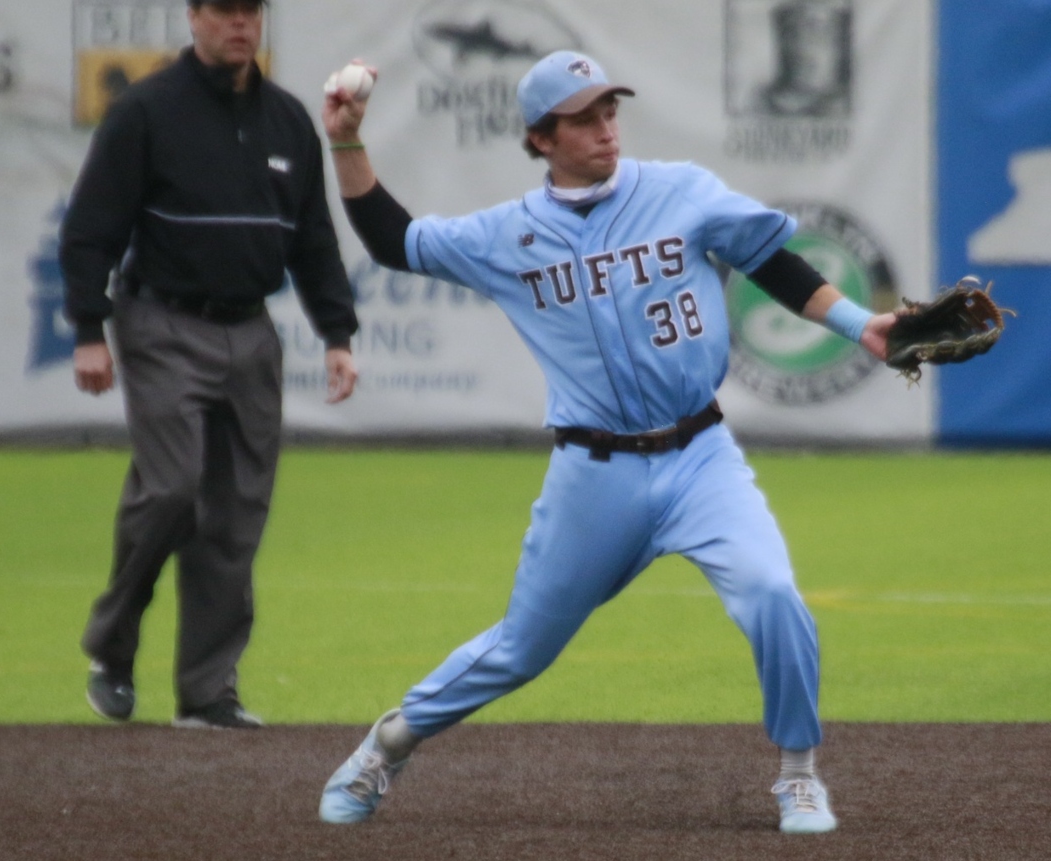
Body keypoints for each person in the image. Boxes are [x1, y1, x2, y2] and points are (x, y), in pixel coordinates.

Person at [313, 50, 895, 834]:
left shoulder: (680, 191)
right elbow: (394, 239)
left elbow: (771, 261)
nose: (605, 129)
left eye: (609, 111)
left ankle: (798, 773)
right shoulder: (508, 235)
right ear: (541, 137)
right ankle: (388, 743)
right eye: (583, 118)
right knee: (521, 649)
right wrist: (347, 141)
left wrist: (861, 325)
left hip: (699, 457)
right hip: (595, 473)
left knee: (771, 593)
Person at [60, 0, 360, 730]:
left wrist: (338, 333)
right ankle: (113, 644)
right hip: (162, 321)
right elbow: (92, 226)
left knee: (234, 517)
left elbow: (314, 237)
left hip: (251, 332)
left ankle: (207, 692)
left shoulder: (287, 120)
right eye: (223, 10)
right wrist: (89, 328)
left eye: (250, 10)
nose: (239, 24)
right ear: (193, 17)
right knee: (170, 488)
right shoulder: (146, 111)